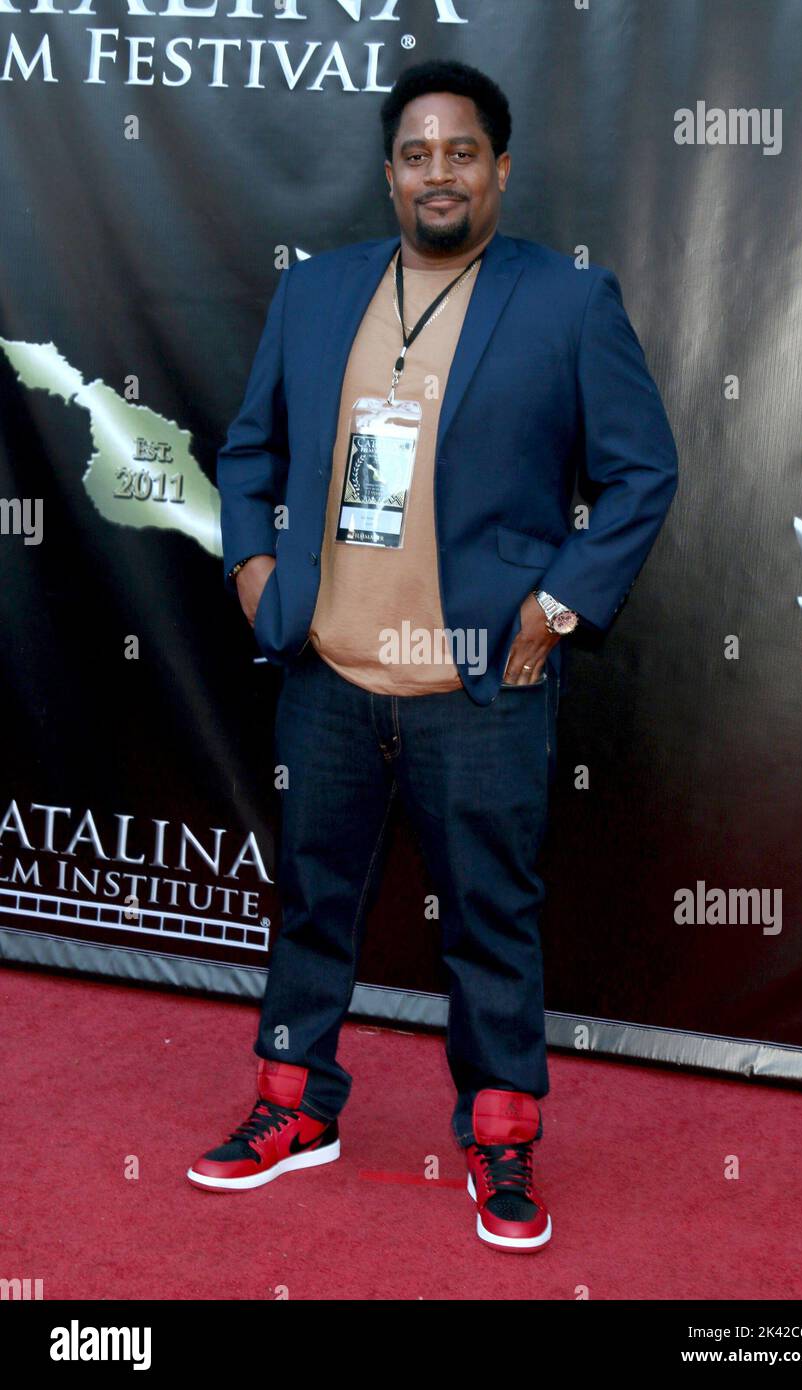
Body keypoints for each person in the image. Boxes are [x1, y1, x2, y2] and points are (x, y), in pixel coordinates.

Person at [189, 60, 678, 1253]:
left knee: (489, 918)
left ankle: (501, 1137)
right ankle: (294, 1108)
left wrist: (556, 607)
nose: (438, 172)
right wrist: (255, 574)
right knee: (312, 905)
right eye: (416, 153)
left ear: (498, 168)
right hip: (327, 672)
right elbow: (248, 453)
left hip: (480, 682)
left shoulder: (566, 301)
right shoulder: (318, 295)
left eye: (461, 152)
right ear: (390, 172)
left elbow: (639, 472)